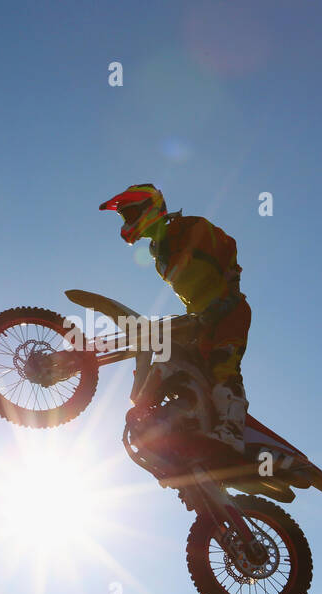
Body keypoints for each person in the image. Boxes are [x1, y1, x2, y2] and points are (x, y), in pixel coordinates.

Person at [100, 184, 251, 453]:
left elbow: (227, 248)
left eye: (130, 213)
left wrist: (231, 288)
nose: (128, 221)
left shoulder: (188, 227)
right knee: (173, 360)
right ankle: (178, 422)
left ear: (150, 208)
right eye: (124, 217)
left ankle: (232, 432)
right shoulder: (157, 252)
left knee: (222, 363)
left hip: (229, 309)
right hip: (199, 319)